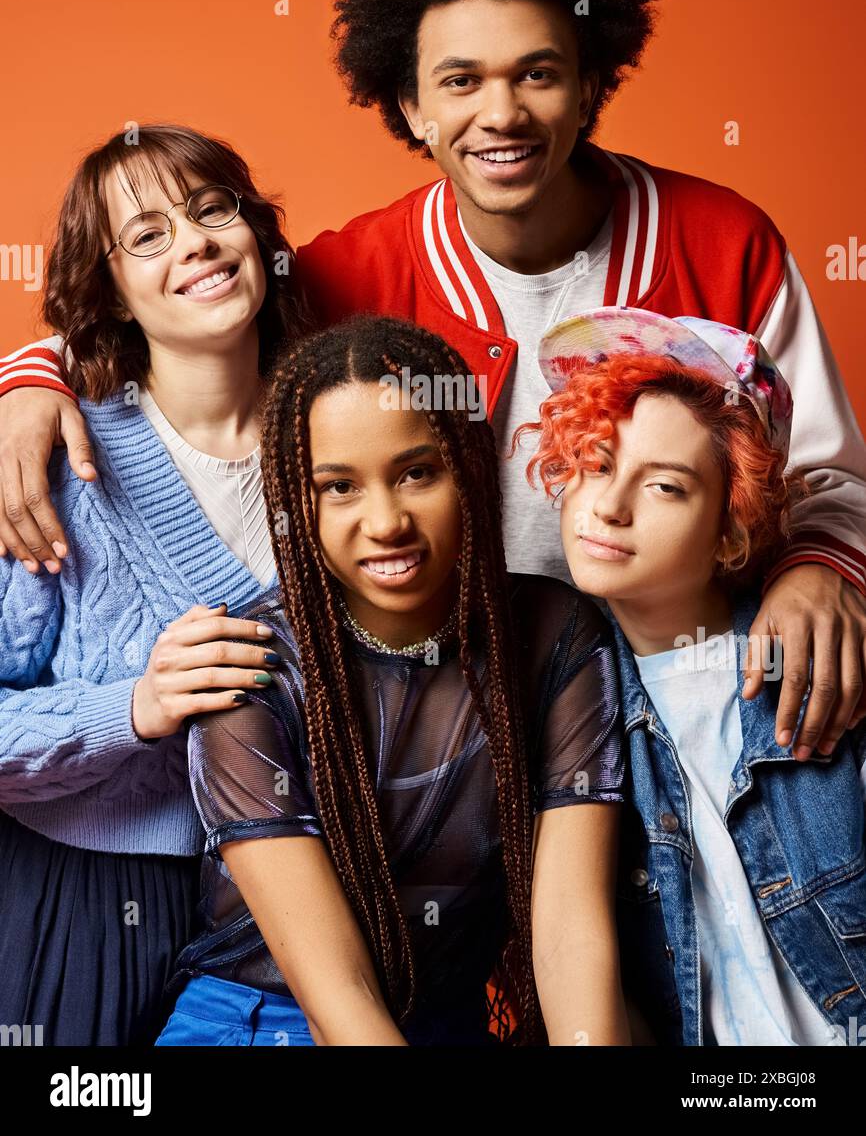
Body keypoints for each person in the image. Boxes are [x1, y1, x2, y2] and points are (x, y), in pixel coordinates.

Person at [3, 0, 865, 760]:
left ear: (591, 81)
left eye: (537, 72)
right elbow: (187, 312)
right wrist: (28, 377)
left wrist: (820, 569)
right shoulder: (350, 274)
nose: (501, 114)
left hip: (713, 699)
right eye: (460, 82)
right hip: (473, 739)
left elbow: (830, 475)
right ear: (411, 106)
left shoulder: (724, 242)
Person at [155, 315, 630, 1046]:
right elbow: (336, 999)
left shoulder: (554, 634)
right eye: (338, 487)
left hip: (446, 1025)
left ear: (467, 466)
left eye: (417, 472)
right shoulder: (250, 664)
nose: (385, 522)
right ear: (297, 504)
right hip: (261, 1023)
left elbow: (571, 936)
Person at [0, 123, 310, 1044]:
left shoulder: (342, 454)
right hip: (83, 899)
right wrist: (131, 707)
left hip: (282, 912)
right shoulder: (52, 467)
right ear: (113, 294)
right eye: (148, 236)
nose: (196, 243)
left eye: (215, 211)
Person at [516, 306, 866, 1046]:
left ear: (732, 528)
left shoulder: (819, 667)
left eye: (665, 487)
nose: (608, 507)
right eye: (597, 464)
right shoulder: (569, 709)